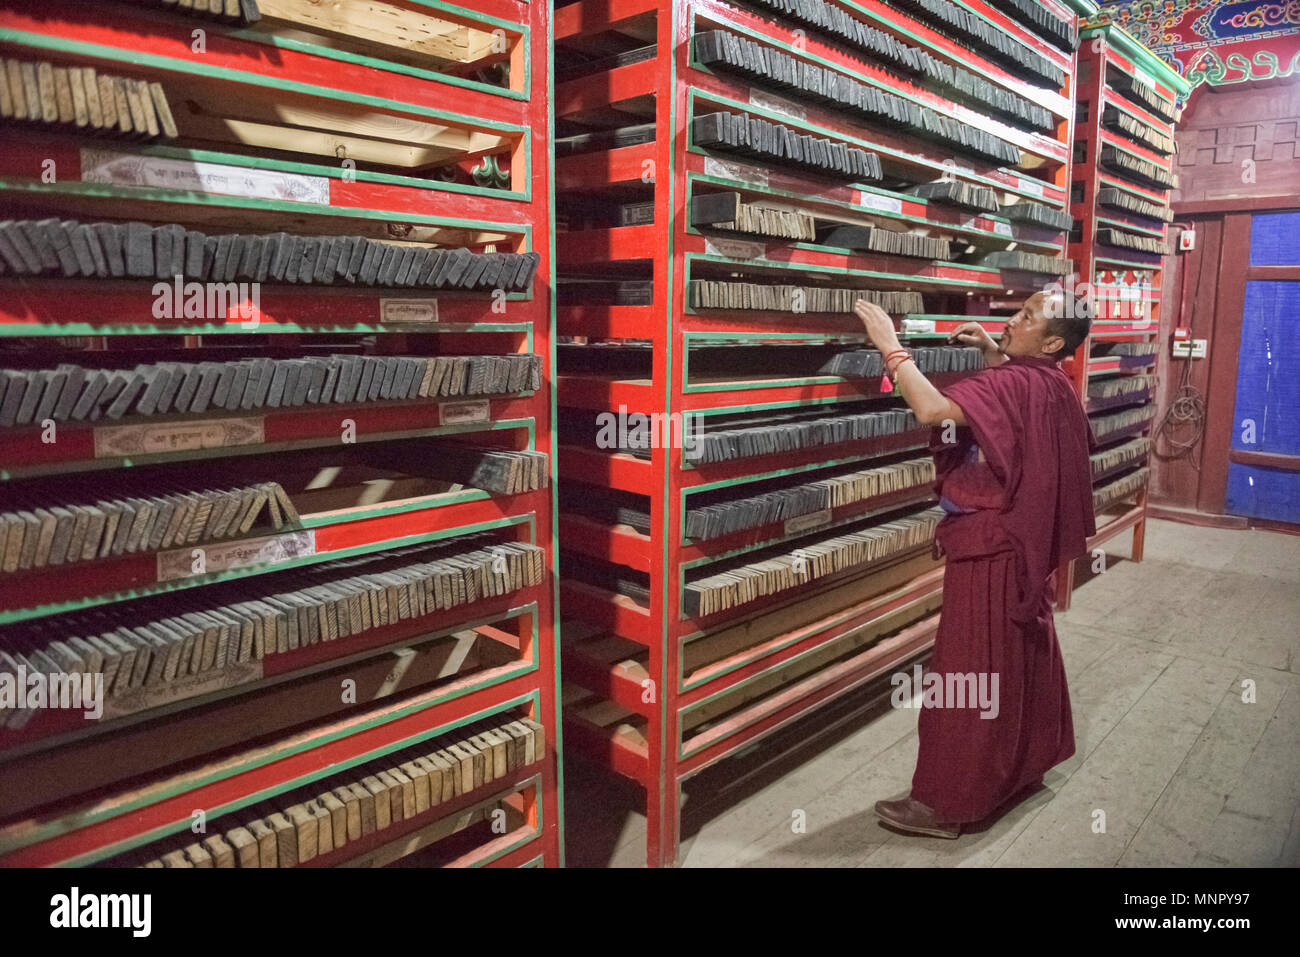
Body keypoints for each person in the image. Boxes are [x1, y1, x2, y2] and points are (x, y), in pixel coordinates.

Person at [852, 290, 1096, 838]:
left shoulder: (1014, 383)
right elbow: (1019, 418)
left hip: (990, 548)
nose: (1012, 321)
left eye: (1026, 317)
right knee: (1015, 660)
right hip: (1023, 548)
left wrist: (892, 349)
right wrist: (997, 353)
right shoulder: (1052, 381)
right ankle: (1019, 770)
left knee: (966, 673)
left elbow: (934, 410)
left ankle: (948, 803)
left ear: (1053, 341)